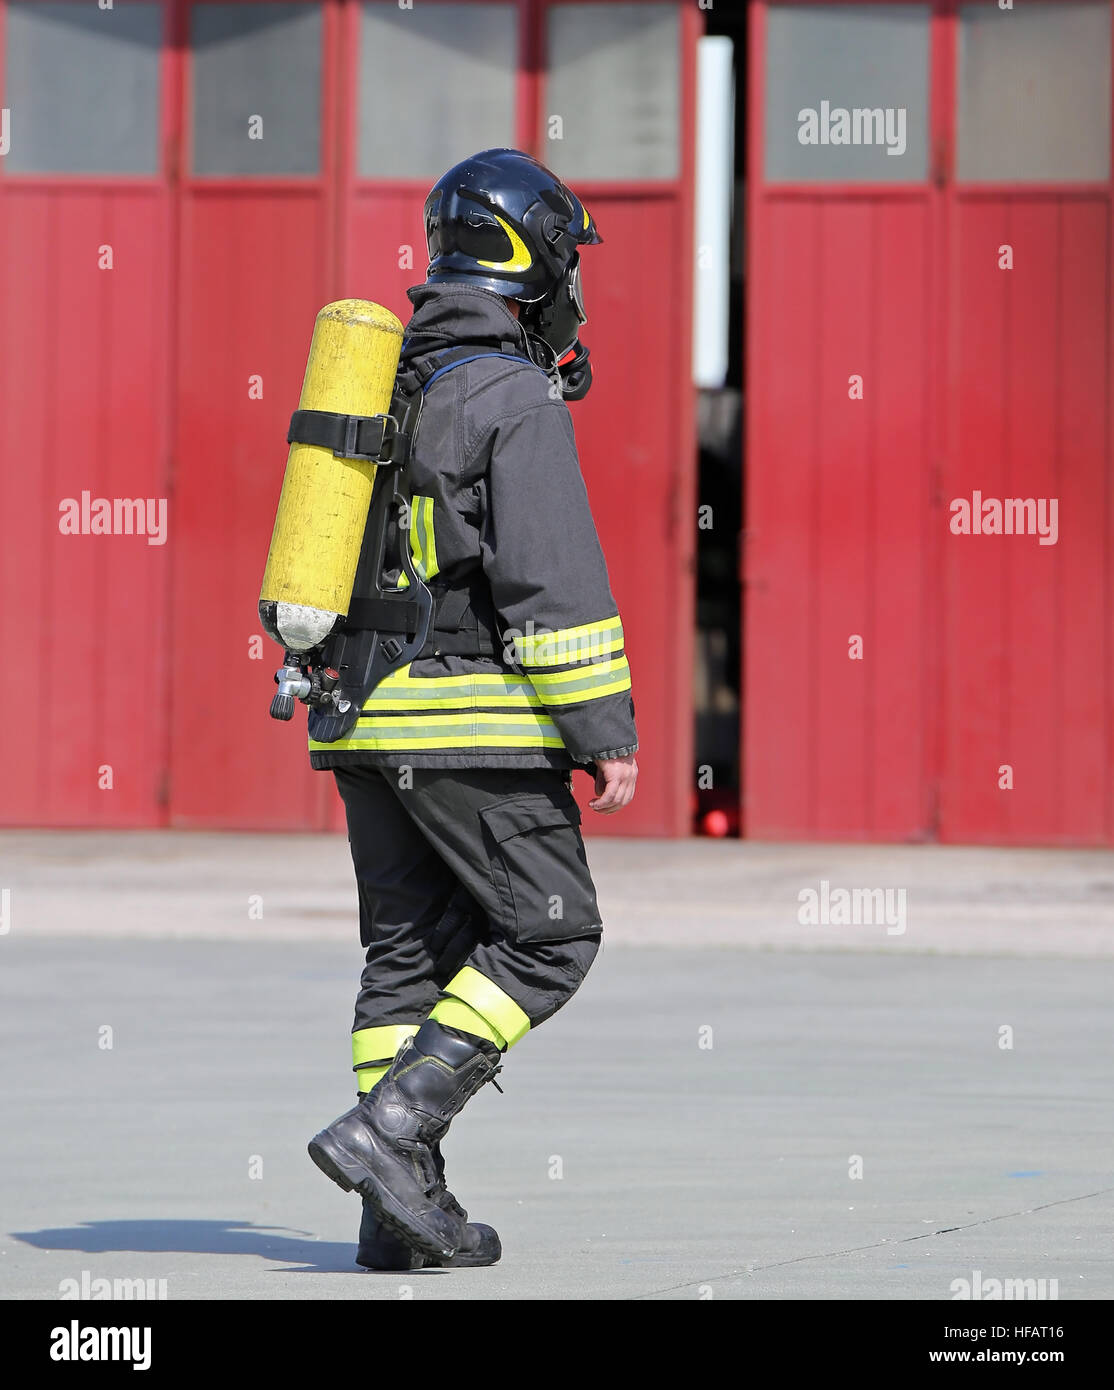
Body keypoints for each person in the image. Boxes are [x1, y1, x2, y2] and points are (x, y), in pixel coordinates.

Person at [305, 148, 638, 1268]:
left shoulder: (388, 380)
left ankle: (397, 1218)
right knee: (552, 935)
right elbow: (552, 578)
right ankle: (393, 1131)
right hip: (471, 725)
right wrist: (604, 729)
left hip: (361, 719)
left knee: (404, 957)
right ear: (531, 260)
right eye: (565, 261)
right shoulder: (508, 395)